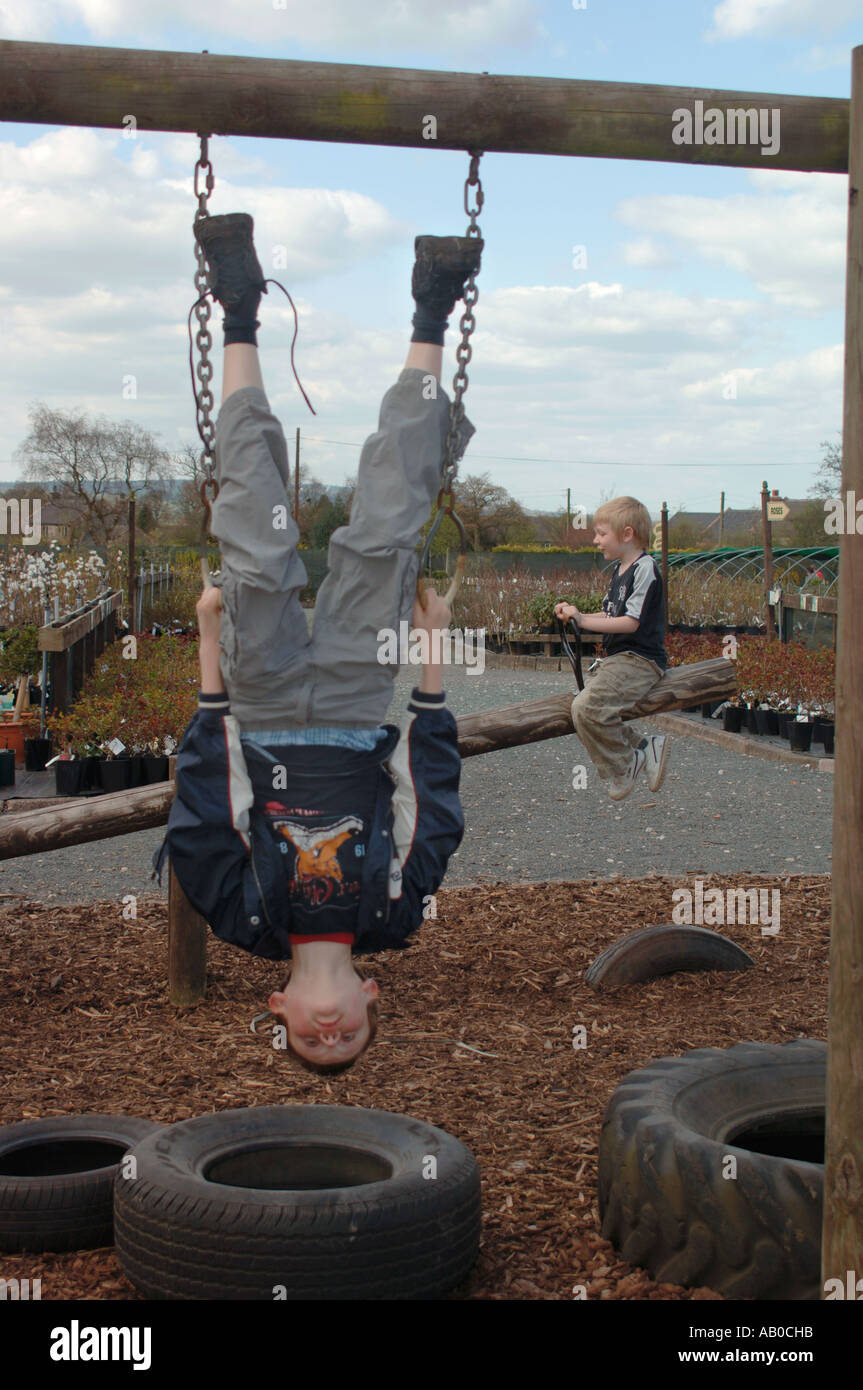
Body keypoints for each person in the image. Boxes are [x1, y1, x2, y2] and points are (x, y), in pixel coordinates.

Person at [152, 212, 483, 1073]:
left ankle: (236, 309)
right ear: (371, 1003)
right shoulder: (394, 912)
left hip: (256, 703)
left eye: (311, 1040)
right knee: (387, 533)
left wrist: (207, 656)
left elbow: (206, 807)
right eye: (347, 1039)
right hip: (350, 700)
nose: (328, 1031)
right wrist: (433, 652)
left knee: (253, 539)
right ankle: (430, 310)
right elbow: (428, 797)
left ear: (280, 1008)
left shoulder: (241, 915)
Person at [555, 498, 670, 801]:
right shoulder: (620, 570)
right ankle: (645, 748)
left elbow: (630, 623)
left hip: (640, 661)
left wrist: (581, 618)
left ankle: (625, 766)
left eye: (602, 533)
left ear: (627, 533)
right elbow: (608, 616)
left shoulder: (645, 569)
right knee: (582, 707)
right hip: (620, 660)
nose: (596, 540)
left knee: (585, 707)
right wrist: (577, 615)